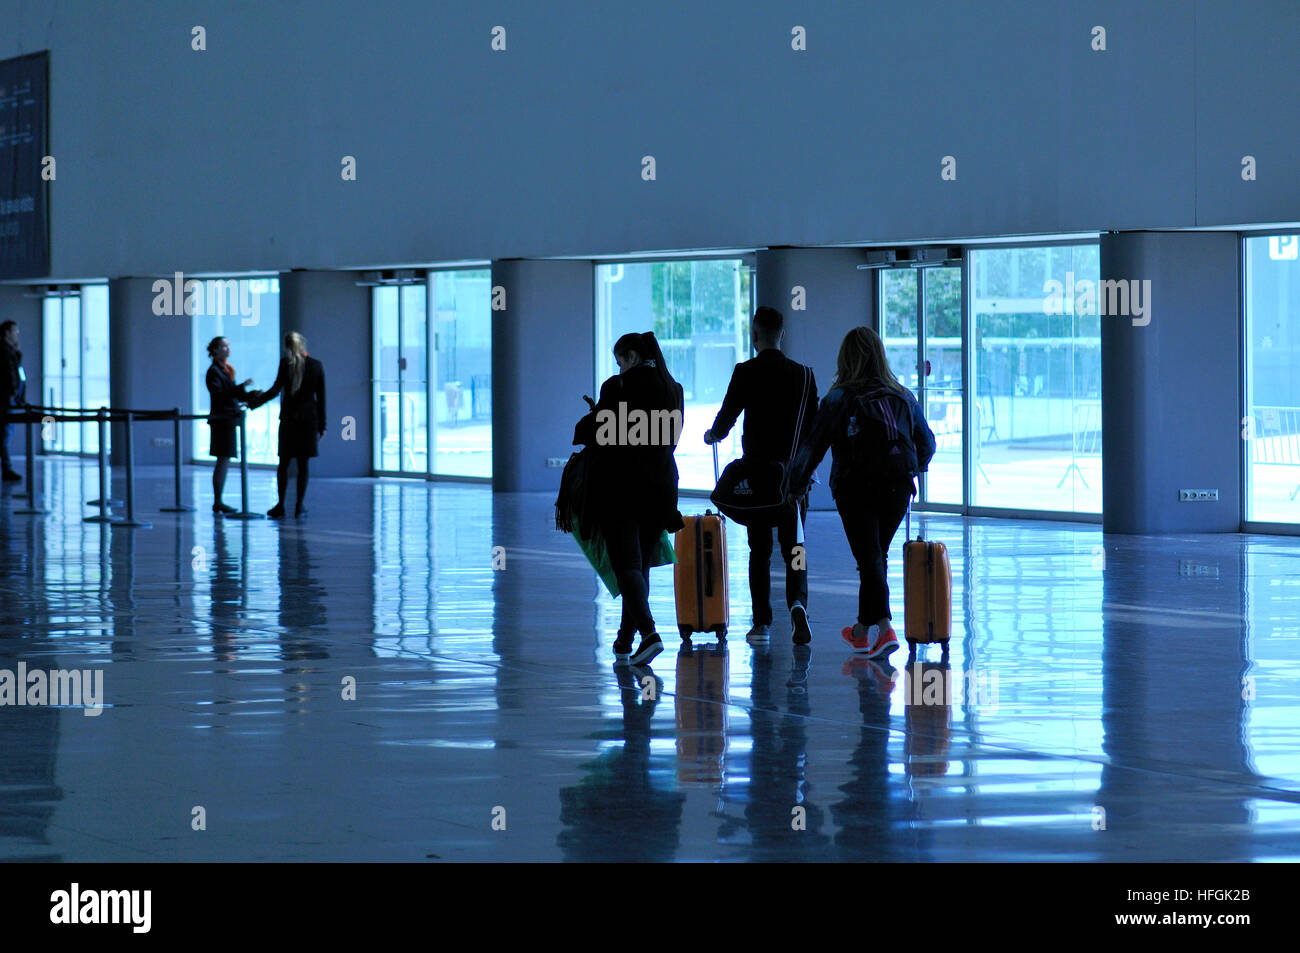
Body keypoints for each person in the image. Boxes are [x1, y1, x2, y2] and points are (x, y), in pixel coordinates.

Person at [786, 326, 936, 658]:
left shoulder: (839, 398)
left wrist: (795, 486)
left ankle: (884, 628)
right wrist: (908, 466)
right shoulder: (903, 395)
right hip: (899, 487)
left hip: (856, 487)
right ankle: (861, 630)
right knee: (875, 556)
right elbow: (927, 445)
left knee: (869, 558)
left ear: (846, 359)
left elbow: (812, 448)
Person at [704, 306, 818, 646]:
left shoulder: (745, 372)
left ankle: (761, 623)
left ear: (754, 337)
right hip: (794, 481)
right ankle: (798, 603)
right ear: (782, 335)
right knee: (795, 548)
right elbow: (814, 430)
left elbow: (726, 419)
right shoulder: (805, 376)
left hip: (757, 478)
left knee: (759, 551)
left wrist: (713, 435)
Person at [573, 331, 685, 666]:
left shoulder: (616, 387)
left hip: (620, 488)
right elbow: (669, 436)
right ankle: (626, 639)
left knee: (627, 566)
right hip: (661, 487)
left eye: (620, 360)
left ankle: (649, 633)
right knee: (640, 564)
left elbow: (594, 435)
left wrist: (596, 414)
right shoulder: (673, 388)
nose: (619, 367)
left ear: (632, 357)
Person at [248, 332, 326, 519]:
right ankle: (299, 506)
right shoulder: (316, 365)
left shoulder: (285, 365)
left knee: (283, 464)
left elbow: (275, 390)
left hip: (289, 421)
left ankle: (281, 505)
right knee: (303, 465)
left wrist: (254, 403)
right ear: (303, 345)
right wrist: (323, 425)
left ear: (287, 346)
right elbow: (321, 398)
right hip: (308, 422)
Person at [204, 336, 258, 514]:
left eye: (228, 345)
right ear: (216, 350)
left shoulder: (226, 370)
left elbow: (231, 394)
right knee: (223, 459)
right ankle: (217, 500)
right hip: (222, 420)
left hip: (228, 419)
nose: (228, 349)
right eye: (224, 346)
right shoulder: (214, 372)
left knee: (224, 460)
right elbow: (221, 395)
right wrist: (241, 388)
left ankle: (218, 500)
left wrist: (250, 395)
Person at [1, 320, 27, 483]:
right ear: (6, 334)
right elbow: (9, 376)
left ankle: (7, 467)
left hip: (9, 399)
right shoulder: (4, 352)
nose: (17, 335)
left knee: (5, 433)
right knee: (4, 433)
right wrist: (12, 393)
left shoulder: (10, 352)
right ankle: (7, 468)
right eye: (14, 332)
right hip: (5, 400)